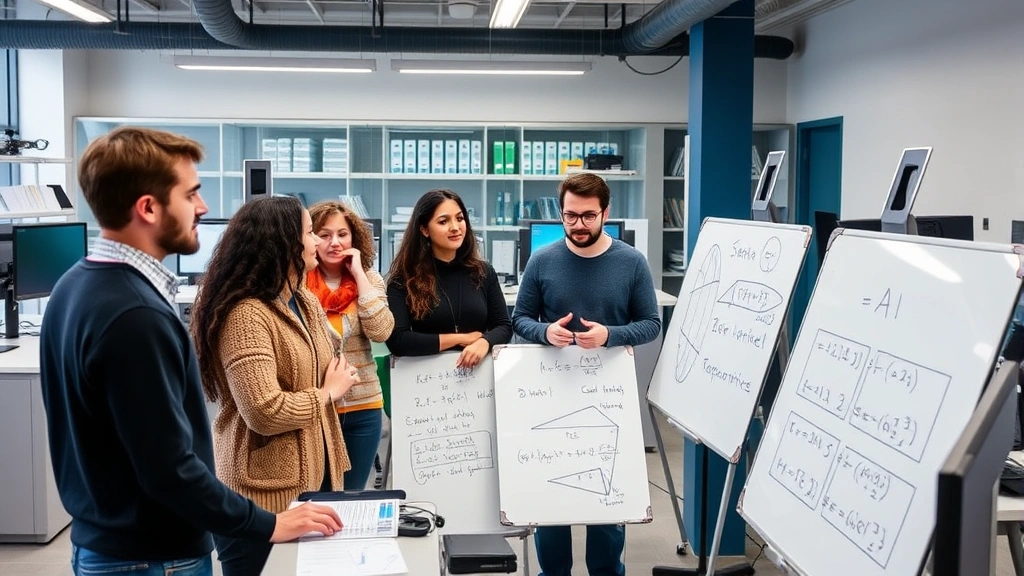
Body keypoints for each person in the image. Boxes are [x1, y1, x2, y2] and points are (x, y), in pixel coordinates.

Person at [39, 126, 342, 576]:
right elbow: (168, 468)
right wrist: (264, 523)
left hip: (116, 545)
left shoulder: (76, 285)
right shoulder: (135, 315)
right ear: (148, 207)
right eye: (191, 194)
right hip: (152, 558)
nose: (203, 208)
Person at [190, 196, 360, 576]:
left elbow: (326, 363)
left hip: (315, 479)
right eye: (309, 233)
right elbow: (264, 411)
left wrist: (329, 382)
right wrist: (328, 393)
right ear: (282, 243)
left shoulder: (303, 300)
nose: (317, 242)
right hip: (261, 497)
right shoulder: (246, 314)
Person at [511, 172, 661, 576]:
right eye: (571, 216)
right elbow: (520, 317)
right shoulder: (543, 260)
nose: (579, 225)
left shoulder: (630, 262)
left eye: (588, 216)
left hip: (610, 395)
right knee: (553, 497)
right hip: (552, 392)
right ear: (561, 213)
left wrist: (610, 335)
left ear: (605, 213)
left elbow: (651, 323)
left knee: (607, 503)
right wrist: (546, 331)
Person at [306, 200, 394, 490]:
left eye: (342, 234)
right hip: (317, 404)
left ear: (354, 237)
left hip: (363, 406)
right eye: (324, 234)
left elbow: (381, 331)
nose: (335, 243)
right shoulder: (297, 283)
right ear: (310, 238)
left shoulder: (369, 279)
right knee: (316, 498)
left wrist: (359, 275)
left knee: (352, 496)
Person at [385, 189, 512, 367]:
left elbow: (504, 326)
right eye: (443, 221)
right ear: (424, 229)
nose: (455, 227)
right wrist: (460, 338)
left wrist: (484, 342)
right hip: (424, 379)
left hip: (478, 378)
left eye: (460, 219)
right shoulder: (403, 279)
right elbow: (398, 341)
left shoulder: (483, 272)